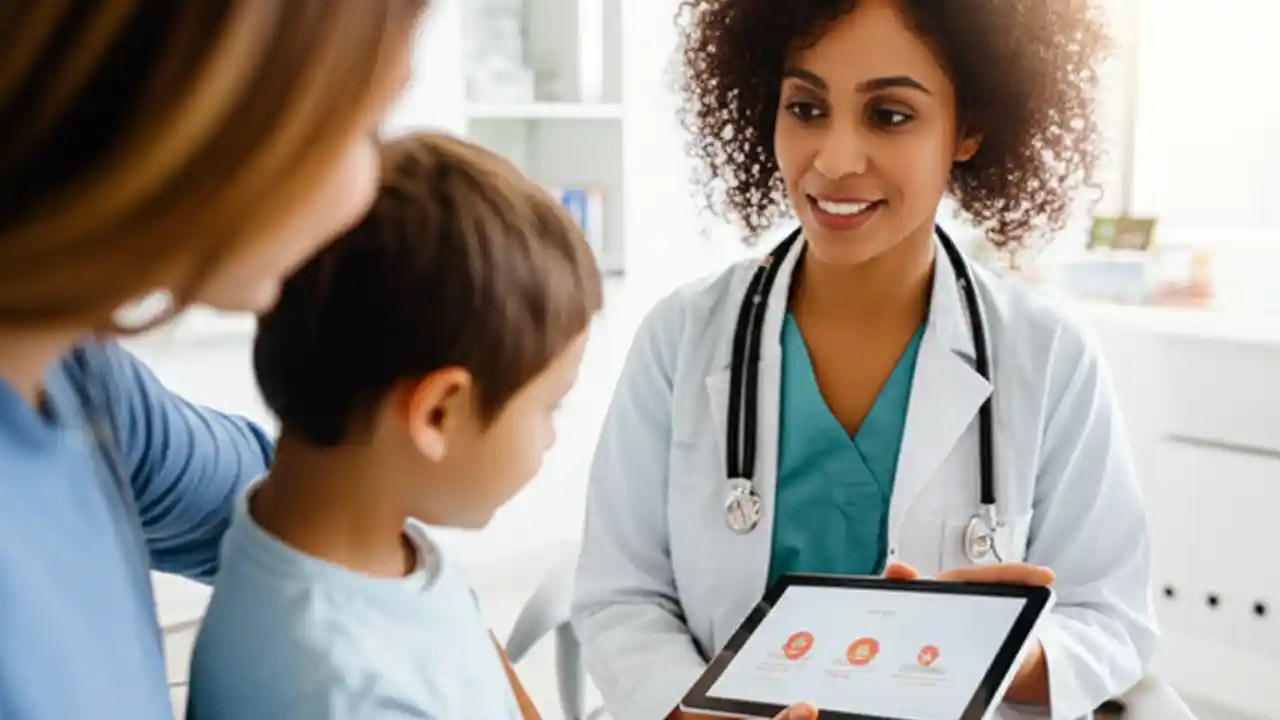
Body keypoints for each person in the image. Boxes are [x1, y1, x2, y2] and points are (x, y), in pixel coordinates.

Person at [572, 1, 1158, 719]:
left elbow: (1110, 620)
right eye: (805, 106)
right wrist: (688, 709)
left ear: (968, 126)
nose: (836, 158)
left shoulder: (1050, 356)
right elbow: (619, 597)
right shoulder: (681, 337)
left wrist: (999, 648)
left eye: (889, 115)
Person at [0, 2, 425, 717]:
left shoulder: (82, 383)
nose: (369, 192)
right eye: (362, 128)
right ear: (200, 104)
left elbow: (297, 500)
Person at [186, 132, 603, 719]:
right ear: (438, 413)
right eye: (548, 408)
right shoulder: (332, 690)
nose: (552, 436)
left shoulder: (367, 543)